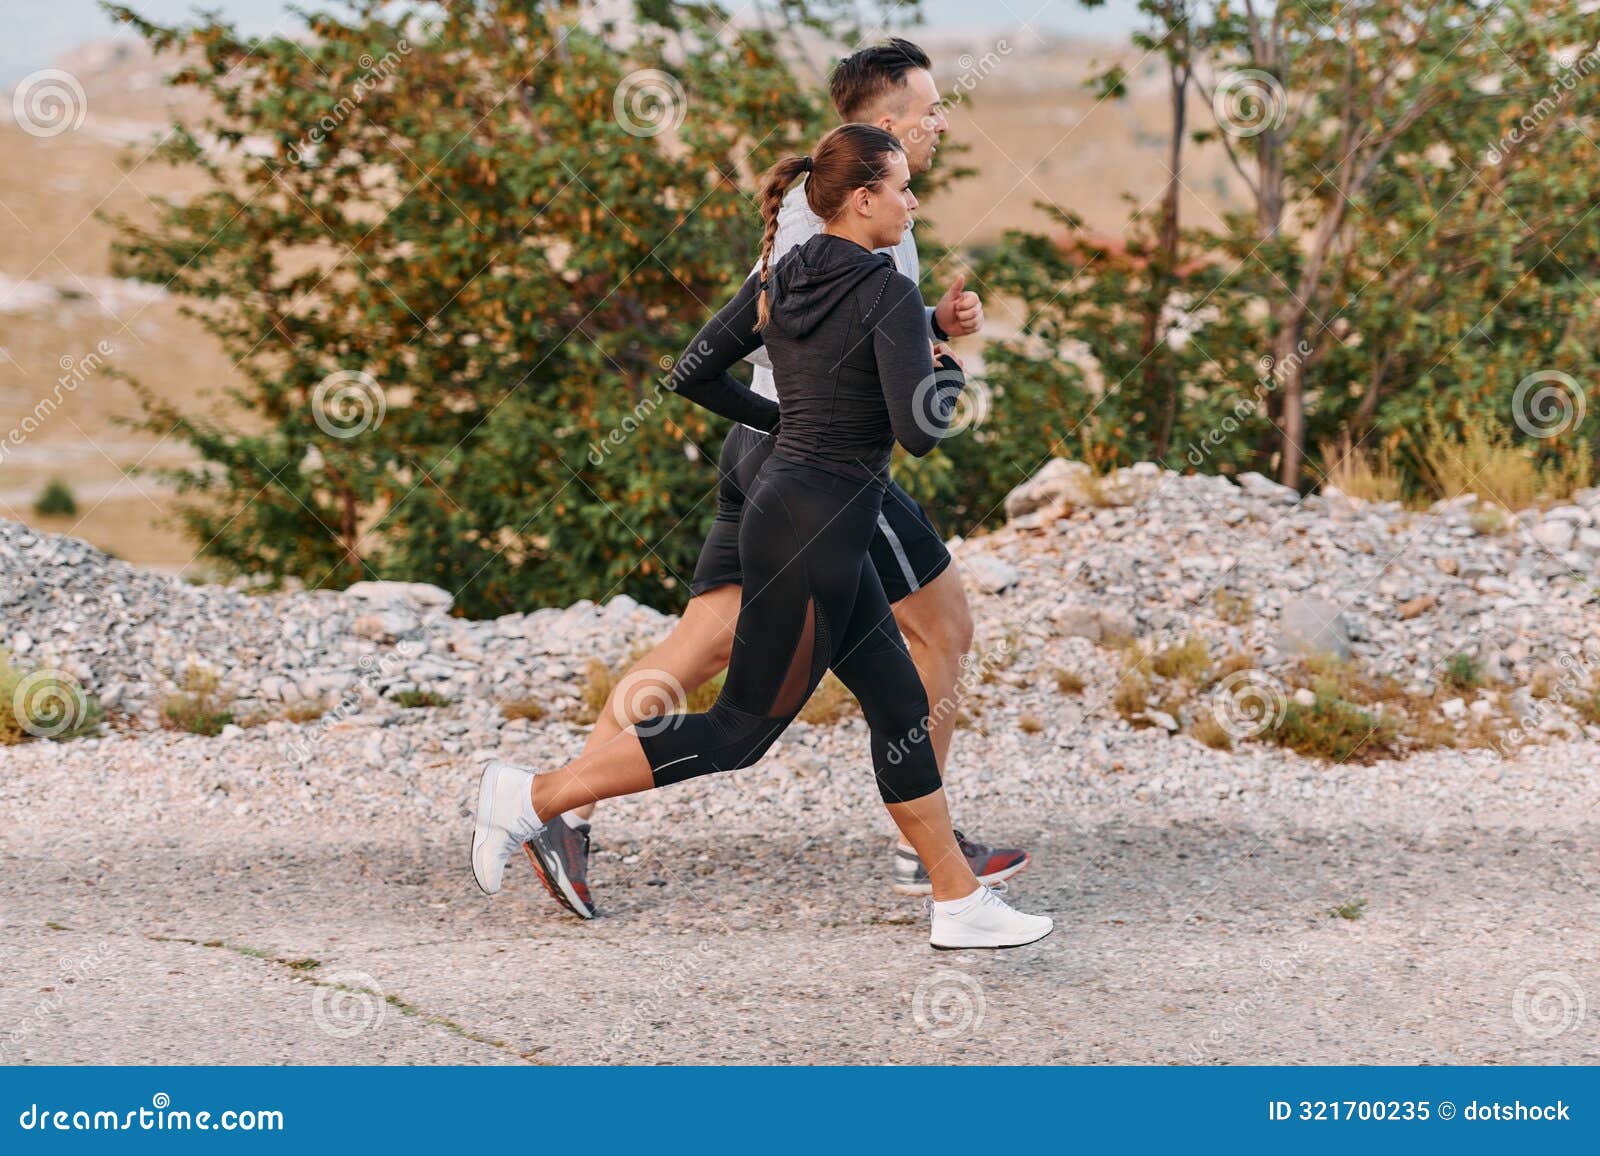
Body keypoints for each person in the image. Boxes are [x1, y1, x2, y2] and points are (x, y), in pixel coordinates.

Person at [473, 124, 1052, 951]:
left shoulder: (788, 273)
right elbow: (919, 433)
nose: (913, 201)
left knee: (898, 705)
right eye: (901, 188)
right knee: (740, 729)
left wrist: (783, 421)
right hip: (817, 528)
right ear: (863, 200)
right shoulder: (887, 291)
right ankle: (532, 797)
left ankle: (958, 901)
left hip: (802, 512)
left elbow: (693, 372)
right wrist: (948, 367)